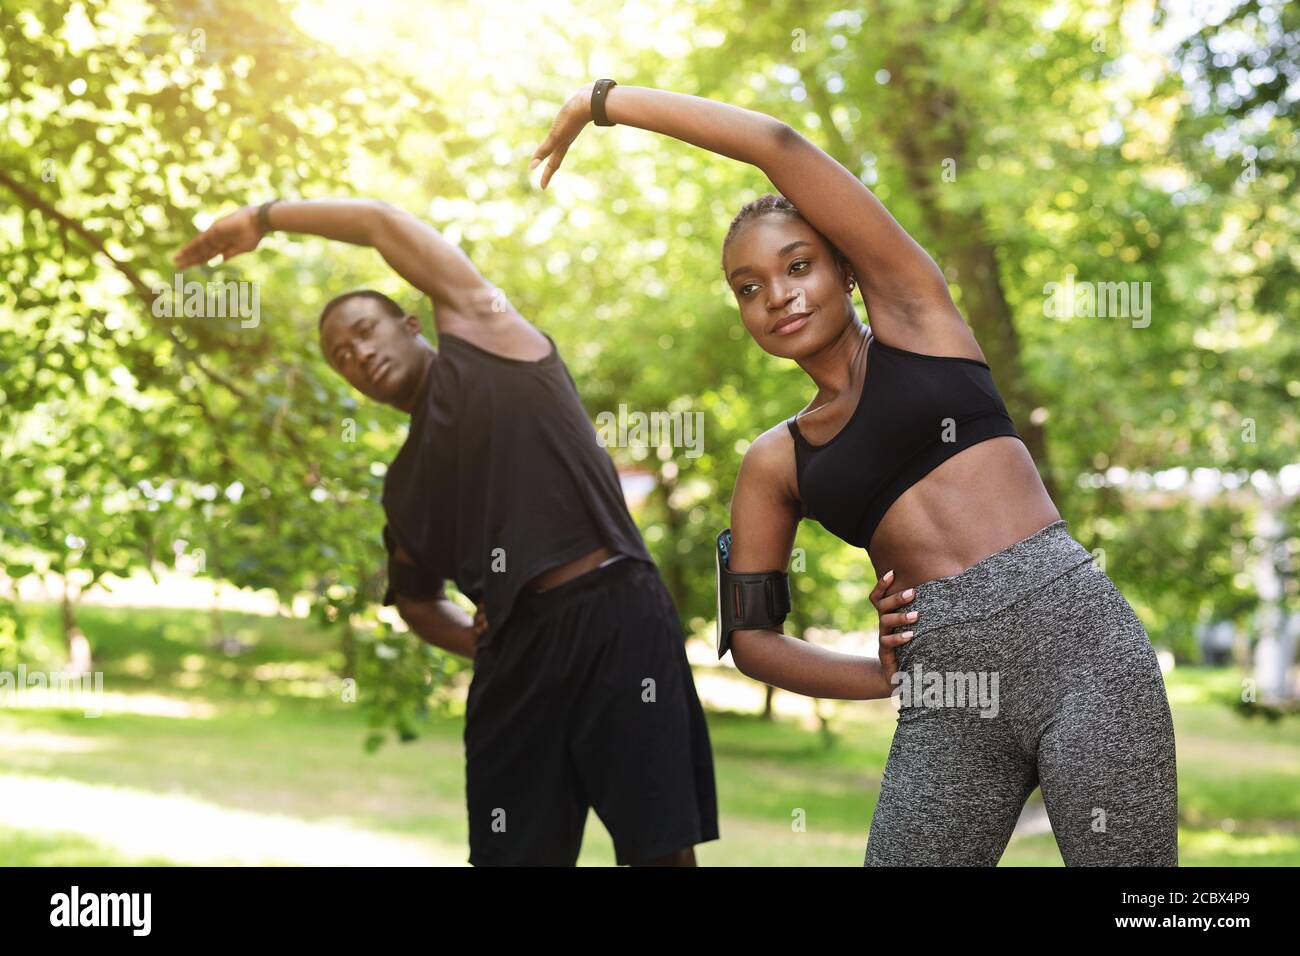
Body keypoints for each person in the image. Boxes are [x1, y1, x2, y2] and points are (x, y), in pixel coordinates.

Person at [531, 82, 1178, 866]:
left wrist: (602, 102)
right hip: (945, 689)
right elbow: (750, 637)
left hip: (1080, 646)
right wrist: (874, 674)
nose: (778, 295)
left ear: (842, 267)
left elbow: (776, 144)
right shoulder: (776, 462)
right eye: (748, 288)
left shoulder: (916, 316)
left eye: (797, 265)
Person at [173, 198, 719, 867]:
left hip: (616, 621)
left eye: (367, 330)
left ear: (411, 324)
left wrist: (265, 219)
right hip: (515, 663)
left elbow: (381, 224)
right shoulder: (402, 486)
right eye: (341, 355)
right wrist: (475, 640)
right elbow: (414, 598)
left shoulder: (493, 348)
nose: (359, 352)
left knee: (660, 852)